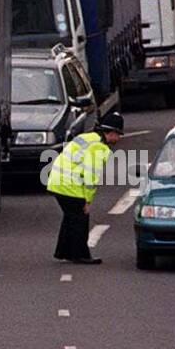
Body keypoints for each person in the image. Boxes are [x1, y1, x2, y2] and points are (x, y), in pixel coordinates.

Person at [45, 113, 125, 265]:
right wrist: (87, 201)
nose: (119, 139)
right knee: (80, 218)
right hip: (69, 185)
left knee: (70, 217)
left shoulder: (87, 138)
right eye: (119, 135)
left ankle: (64, 251)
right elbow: (90, 176)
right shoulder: (99, 148)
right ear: (111, 133)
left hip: (57, 180)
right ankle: (80, 254)